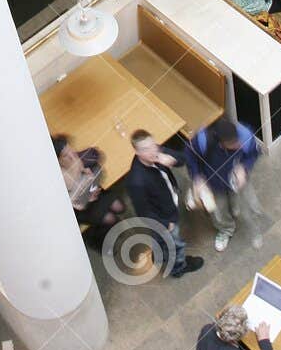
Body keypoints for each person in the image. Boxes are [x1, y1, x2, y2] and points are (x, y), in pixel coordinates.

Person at [125, 131, 203, 278]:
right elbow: (144, 213)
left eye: (153, 145)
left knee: (161, 241)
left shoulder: (157, 152)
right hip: (164, 218)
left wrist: (172, 160)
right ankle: (178, 267)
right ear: (137, 152)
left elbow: (183, 158)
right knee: (175, 244)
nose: (152, 151)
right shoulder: (136, 181)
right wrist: (166, 224)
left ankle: (160, 254)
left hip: (168, 203)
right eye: (145, 149)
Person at [182, 118, 264, 253]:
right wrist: (197, 177)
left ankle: (255, 230)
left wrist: (244, 167)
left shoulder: (244, 135)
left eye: (238, 141)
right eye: (233, 144)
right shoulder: (203, 140)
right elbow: (190, 156)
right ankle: (226, 230)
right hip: (214, 183)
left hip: (238, 180)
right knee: (219, 211)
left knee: (249, 206)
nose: (238, 145)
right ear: (222, 143)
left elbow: (254, 153)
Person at [52, 135, 125, 239]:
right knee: (111, 219)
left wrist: (88, 175)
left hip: (91, 193)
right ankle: (94, 238)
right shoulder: (60, 179)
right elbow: (73, 205)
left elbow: (85, 171)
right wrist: (87, 196)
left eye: (71, 151)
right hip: (82, 208)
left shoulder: (73, 159)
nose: (72, 156)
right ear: (58, 161)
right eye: (65, 155)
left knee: (120, 207)